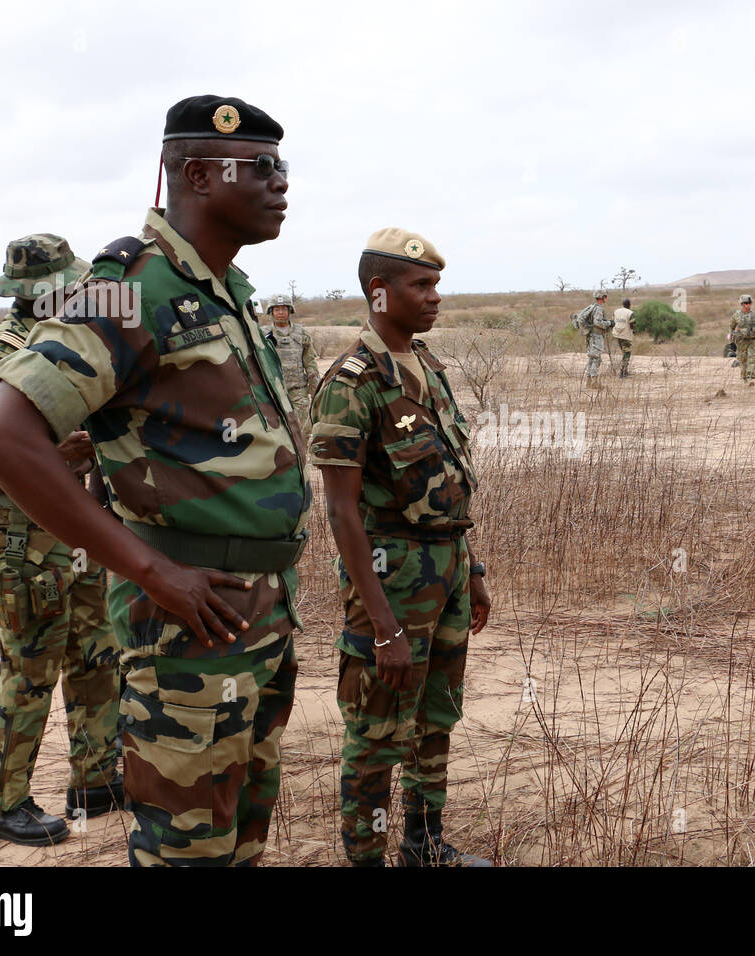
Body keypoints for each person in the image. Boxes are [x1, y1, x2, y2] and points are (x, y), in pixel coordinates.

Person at [0, 94, 308, 867]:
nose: (280, 182)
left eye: (282, 166)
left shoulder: (231, 293)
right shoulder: (131, 292)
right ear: (195, 172)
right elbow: (0, 440)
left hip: (256, 618)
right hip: (187, 629)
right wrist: (150, 569)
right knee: (185, 853)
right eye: (260, 168)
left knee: (239, 839)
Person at [310, 227, 493, 867]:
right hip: (389, 579)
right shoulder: (352, 382)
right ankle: (364, 857)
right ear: (378, 292)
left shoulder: (429, 368)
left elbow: (449, 483)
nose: (434, 296)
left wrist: (471, 570)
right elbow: (340, 510)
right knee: (377, 730)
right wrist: (382, 623)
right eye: (421, 285)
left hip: (444, 569)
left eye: (436, 283)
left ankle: (423, 842)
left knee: (436, 714)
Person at [0, 233, 121, 846]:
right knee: (31, 665)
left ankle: (95, 778)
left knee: (96, 653)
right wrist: (57, 457)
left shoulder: (64, 345)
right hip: (24, 535)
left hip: (78, 522)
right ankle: (1, 803)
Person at [262, 293, 320, 430]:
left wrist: (316, 392)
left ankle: (302, 452)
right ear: (271, 312)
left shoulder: (302, 333)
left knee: (303, 430)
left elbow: (310, 364)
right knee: (278, 430)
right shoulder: (263, 334)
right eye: (277, 309)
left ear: (289, 311)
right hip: (273, 392)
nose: (280, 312)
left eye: (284, 309)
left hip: (299, 392)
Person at [579, 290, 612, 387]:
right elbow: (597, 322)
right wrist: (609, 323)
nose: (606, 298)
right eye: (605, 296)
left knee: (591, 359)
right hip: (596, 337)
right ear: (603, 297)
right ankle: (594, 383)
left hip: (591, 336)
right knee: (596, 359)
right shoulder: (598, 309)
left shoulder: (591, 307)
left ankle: (588, 383)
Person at [729, 295, 755, 383]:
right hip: (741, 341)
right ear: (742, 304)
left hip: (753, 340)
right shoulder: (736, 315)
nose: (749, 305)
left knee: (751, 359)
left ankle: (751, 378)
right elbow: (731, 328)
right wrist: (731, 342)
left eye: (750, 303)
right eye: (746, 303)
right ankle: (743, 378)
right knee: (742, 360)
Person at [612, 297, 635, 378]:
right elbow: (632, 325)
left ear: (623, 304)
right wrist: (633, 330)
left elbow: (613, 321)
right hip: (625, 335)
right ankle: (623, 373)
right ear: (629, 305)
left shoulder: (616, 311)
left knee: (624, 352)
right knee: (627, 353)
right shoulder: (630, 313)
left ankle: (624, 371)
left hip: (617, 334)